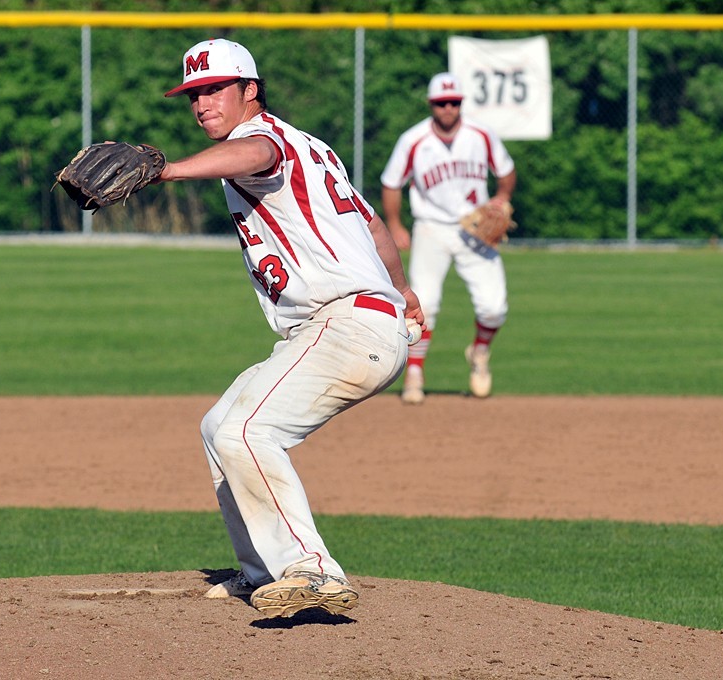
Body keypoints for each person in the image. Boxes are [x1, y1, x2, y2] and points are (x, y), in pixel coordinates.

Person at [157, 38, 425, 618]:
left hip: (347, 323)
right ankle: (261, 570)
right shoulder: (313, 148)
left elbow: (255, 155)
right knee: (218, 426)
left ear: (250, 91)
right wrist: (403, 292)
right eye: (193, 95)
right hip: (342, 325)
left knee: (246, 432)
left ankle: (313, 571)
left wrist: (171, 170)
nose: (201, 104)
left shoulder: (267, 141)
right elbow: (374, 227)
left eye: (213, 90)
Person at [380, 72, 517, 405]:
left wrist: (501, 197)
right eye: (441, 103)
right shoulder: (413, 140)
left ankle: (480, 353)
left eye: (453, 102)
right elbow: (391, 183)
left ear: (461, 104)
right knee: (424, 305)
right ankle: (414, 372)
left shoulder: (481, 135)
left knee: (494, 307)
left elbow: (506, 171)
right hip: (431, 228)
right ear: (431, 105)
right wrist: (396, 224)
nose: (448, 108)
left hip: (475, 228)